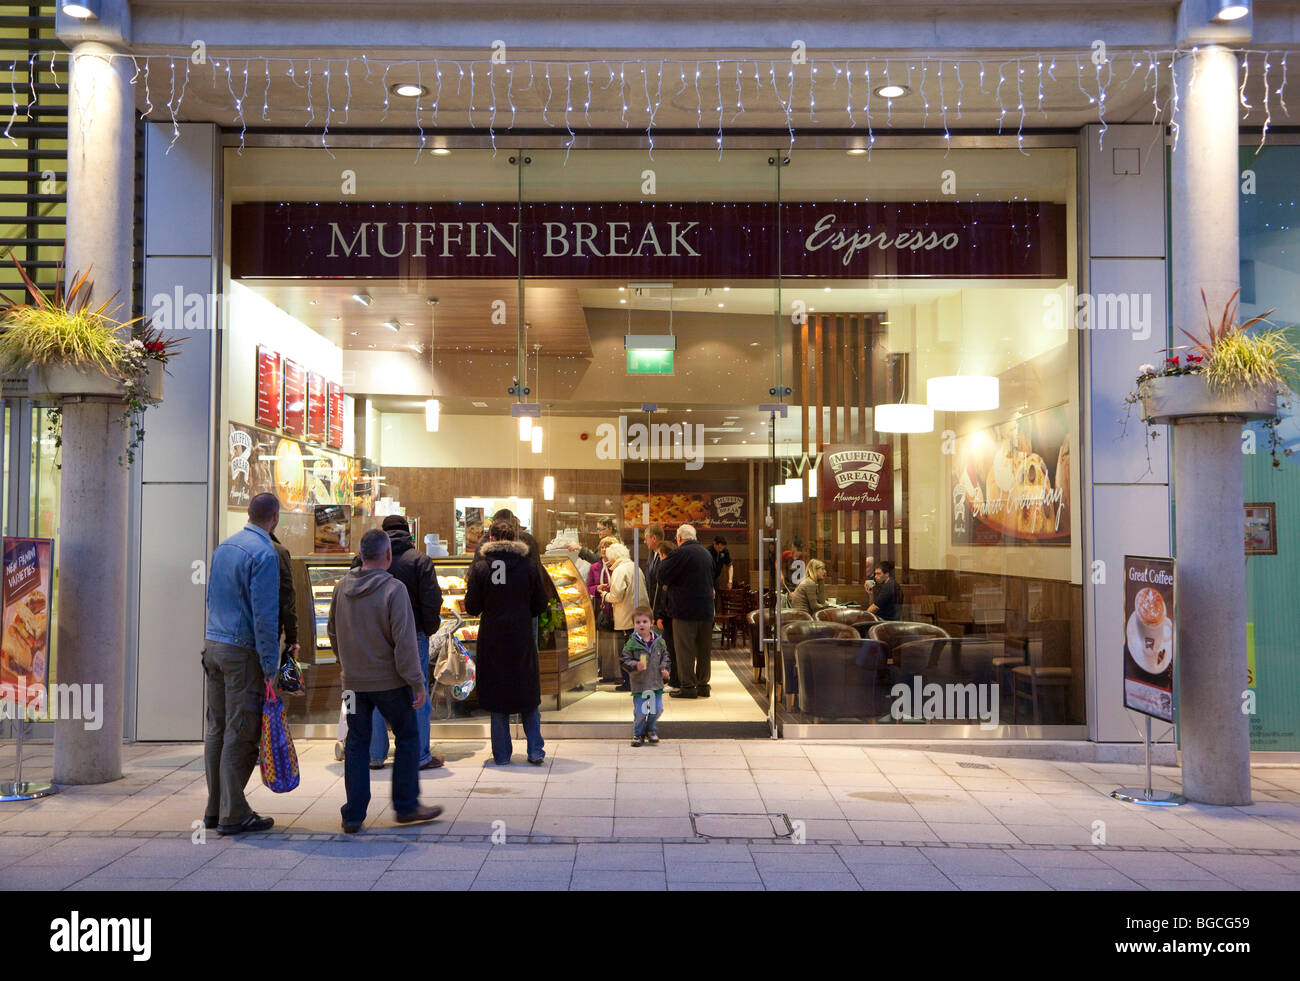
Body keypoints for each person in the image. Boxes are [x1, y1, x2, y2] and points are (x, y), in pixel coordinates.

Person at [329, 529, 443, 833]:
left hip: (353, 684)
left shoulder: (341, 588)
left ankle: (353, 815)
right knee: (407, 736)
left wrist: (347, 665)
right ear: (388, 556)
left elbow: (332, 634)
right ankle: (406, 807)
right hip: (389, 683)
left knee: (356, 743)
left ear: (361, 553)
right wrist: (417, 683)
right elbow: (405, 644)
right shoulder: (394, 590)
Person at [202, 492, 283, 836]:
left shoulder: (224, 548)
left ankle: (215, 808)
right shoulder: (265, 554)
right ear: (274, 518)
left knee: (217, 729)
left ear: (248, 513)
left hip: (213, 646)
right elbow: (265, 617)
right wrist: (270, 666)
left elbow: (209, 597)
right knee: (241, 731)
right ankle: (234, 813)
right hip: (241, 653)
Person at [350, 515, 444, 772]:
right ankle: (420, 755)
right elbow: (431, 600)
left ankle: (375, 755)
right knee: (417, 694)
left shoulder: (364, 559)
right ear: (408, 532)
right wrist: (428, 629)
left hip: (373, 638)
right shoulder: (420, 560)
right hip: (413, 635)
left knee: (378, 692)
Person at [465, 520, 550, 765]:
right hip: (521, 635)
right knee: (527, 692)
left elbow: (472, 606)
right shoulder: (529, 566)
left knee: (497, 693)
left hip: (492, 637)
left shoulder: (481, 568)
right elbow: (541, 604)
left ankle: (502, 754)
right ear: (515, 540)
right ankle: (535, 750)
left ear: (491, 539)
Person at [655, 523, 716, 699]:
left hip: (684, 610)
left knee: (685, 650)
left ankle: (688, 686)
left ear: (679, 538)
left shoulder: (680, 553)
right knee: (704, 650)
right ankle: (703, 685)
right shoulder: (706, 553)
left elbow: (662, 575)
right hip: (706, 610)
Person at [620, 606, 672, 747]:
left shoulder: (659, 642)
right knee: (640, 711)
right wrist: (636, 665)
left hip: (655, 683)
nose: (641, 624)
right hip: (640, 684)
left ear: (652, 623)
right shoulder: (631, 643)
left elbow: (665, 657)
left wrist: (665, 669)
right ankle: (638, 733)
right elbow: (624, 661)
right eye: (638, 622)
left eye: (644, 621)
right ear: (634, 625)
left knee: (658, 708)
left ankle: (651, 729)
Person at [602, 541, 648, 692]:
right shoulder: (635, 567)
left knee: (628, 652)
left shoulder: (620, 570)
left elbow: (617, 596)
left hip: (627, 617)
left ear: (613, 558)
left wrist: (604, 595)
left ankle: (629, 682)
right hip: (641, 615)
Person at [269, 530, 299, 673]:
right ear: (275, 517)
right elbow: (287, 600)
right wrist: (292, 640)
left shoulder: (228, 547)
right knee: (263, 688)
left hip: (226, 641)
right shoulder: (278, 552)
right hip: (267, 637)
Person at [653, 540, 679, 687]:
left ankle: (675, 680)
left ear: (663, 554)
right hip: (674, 614)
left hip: (668, 615)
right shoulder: (677, 567)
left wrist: (659, 616)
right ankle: (675, 678)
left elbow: (663, 596)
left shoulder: (665, 568)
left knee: (671, 649)